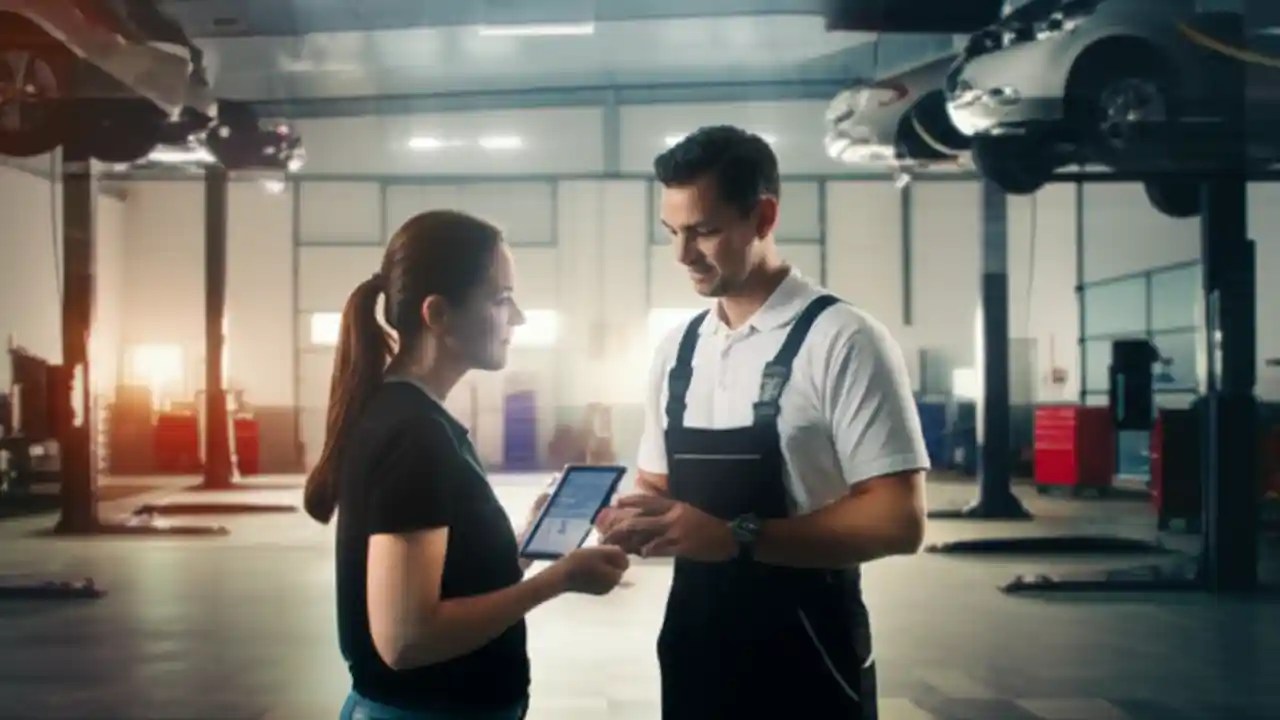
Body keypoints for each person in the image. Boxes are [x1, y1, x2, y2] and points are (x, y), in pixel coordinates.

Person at [599, 126, 931, 720]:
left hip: (809, 654)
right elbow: (658, 487)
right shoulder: (678, 351)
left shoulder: (844, 339)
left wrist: (737, 537)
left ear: (764, 217)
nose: (683, 255)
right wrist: (627, 515)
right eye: (672, 232)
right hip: (694, 648)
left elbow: (898, 520)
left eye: (705, 230)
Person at [303, 210, 630, 720]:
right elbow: (407, 639)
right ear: (438, 315)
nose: (517, 317)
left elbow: (449, 584)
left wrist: (521, 548)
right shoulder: (416, 436)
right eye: (501, 298)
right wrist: (558, 580)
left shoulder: (414, 418)